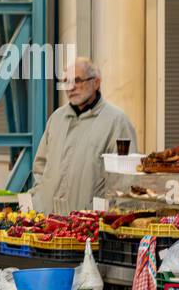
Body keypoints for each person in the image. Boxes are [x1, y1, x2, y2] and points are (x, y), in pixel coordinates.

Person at [31, 57, 137, 215]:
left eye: (77, 80)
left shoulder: (116, 122)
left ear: (96, 82)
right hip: (50, 227)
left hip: (89, 228)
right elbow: (40, 168)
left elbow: (124, 182)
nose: (71, 87)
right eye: (66, 81)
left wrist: (105, 219)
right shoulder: (56, 119)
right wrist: (40, 202)